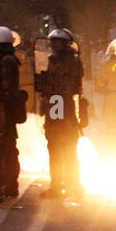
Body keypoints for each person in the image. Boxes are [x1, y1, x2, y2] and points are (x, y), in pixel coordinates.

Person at [38, 28, 83, 199]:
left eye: (57, 42)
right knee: (56, 148)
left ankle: (72, 186)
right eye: (53, 42)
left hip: (64, 106)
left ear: (65, 44)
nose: (54, 46)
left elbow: (69, 87)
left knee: (67, 149)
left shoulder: (72, 62)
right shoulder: (51, 61)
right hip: (57, 106)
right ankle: (59, 186)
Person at [0, 26, 25, 198]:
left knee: (6, 148)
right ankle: (8, 184)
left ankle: (9, 184)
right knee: (6, 148)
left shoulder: (6, 61)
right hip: (6, 108)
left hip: (5, 108)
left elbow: (4, 86)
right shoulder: (9, 59)